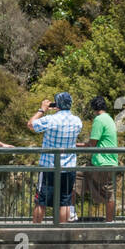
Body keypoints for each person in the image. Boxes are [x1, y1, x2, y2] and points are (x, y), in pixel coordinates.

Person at [28, 91, 83, 225]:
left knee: (41, 200)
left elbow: (31, 124)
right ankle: (60, 232)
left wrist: (42, 109)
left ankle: (35, 231)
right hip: (69, 167)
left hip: (49, 166)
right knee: (65, 201)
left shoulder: (50, 120)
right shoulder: (77, 121)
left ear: (56, 105)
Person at [74, 95, 118, 222]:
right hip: (106, 162)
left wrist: (73, 145)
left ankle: (109, 222)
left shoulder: (99, 120)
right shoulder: (109, 118)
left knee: (108, 193)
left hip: (102, 162)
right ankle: (110, 221)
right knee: (78, 175)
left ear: (94, 108)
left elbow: (91, 144)